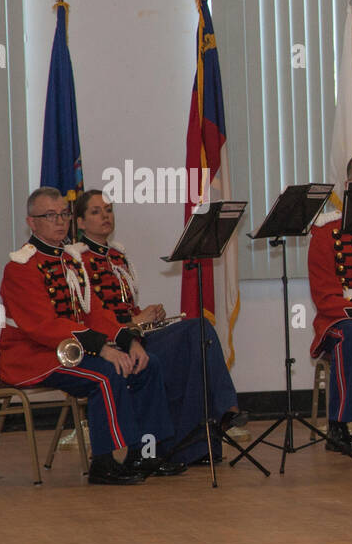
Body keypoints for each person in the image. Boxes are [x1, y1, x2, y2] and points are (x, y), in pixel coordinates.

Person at [0, 187, 185, 484]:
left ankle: (145, 454)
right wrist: (102, 348)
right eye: (50, 216)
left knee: (146, 364)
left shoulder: (71, 261)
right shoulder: (21, 267)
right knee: (105, 375)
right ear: (31, 223)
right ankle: (105, 463)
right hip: (33, 357)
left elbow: (95, 314)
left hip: (72, 349)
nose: (60, 221)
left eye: (63, 215)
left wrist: (128, 340)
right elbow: (43, 326)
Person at [73, 190, 243, 465]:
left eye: (108, 209)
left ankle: (202, 438)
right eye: (95, 212)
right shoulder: (77, 262)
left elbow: (124, 308)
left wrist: (145, 315)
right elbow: (89, 320)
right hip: (110, 346)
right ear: (80, 222)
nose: (105, 216)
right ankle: (222, 412)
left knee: (199, 329)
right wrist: (133, 324)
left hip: (135, 336)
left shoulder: (117, 256)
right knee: (186, 342)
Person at [308, 153, 352, 455]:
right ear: (347, 183)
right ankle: (338, 425)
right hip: (342, 318)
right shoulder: (325, 230)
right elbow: (324, 295)